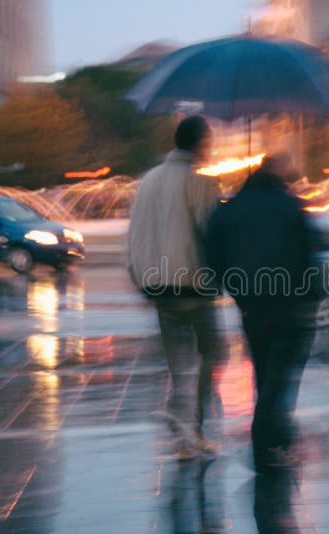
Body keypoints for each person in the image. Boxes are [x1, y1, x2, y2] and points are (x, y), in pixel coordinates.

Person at [205, 153, 325, 473]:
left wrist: (233, 288)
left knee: (264, 373)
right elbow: (311, 252)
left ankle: (274, 440)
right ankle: (268, 439)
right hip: (291, 306)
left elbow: (212, 254)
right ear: (279, 175)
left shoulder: (229, 210)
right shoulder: (292, 207)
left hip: (251, 306)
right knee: (282, 376)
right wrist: (313, 295)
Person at [127, 115, 223, 457]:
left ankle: (175, 420)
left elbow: (135, 232)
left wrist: (139, 276)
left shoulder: (148, 179)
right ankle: (193, 427)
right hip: (191, 282)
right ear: (199, 143)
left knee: (176, 358)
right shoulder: (199, 181)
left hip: (156, 284)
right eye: (209, 141)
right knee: (213, 351)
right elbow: (210, 231)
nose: (211, 148)